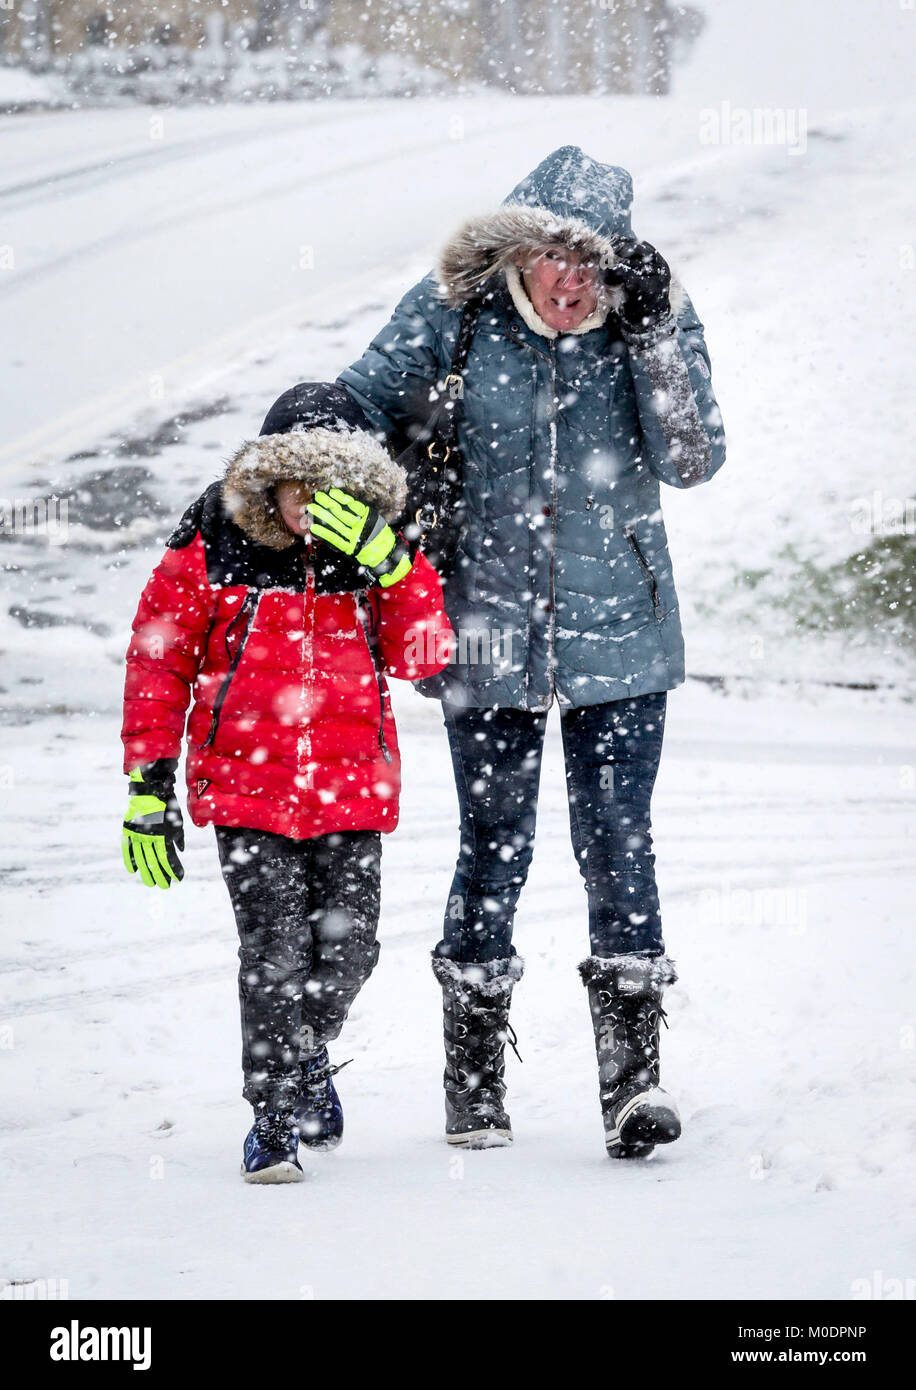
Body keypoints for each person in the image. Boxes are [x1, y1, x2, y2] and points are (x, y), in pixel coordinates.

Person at [336, 146, 727, 1157]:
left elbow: (692, 456)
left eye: (594, 261)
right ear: (517, 249)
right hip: (489, 626)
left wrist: (649, 340)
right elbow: (356, 402)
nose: (573, 278)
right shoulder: (455, 313)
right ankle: (473, 1085)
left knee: (619, 845)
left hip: (623, 633)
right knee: (490, 848)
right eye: (556, 252)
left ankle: (632, 1087)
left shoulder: (651, 320)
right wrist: (305, 462)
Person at [120, 384, 453, 1182]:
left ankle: (307, 1057)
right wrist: (147, 786)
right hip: (246, 789)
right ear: (269, 480)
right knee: (270, 953)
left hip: (351, 791)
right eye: (300, 482)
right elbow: (158, 659)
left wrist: (393, 565)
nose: (314, 500)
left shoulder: (382, 549)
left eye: (334, 484)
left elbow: (427, 659)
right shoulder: (214, 534)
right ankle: (272, 1119)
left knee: (349, 955)